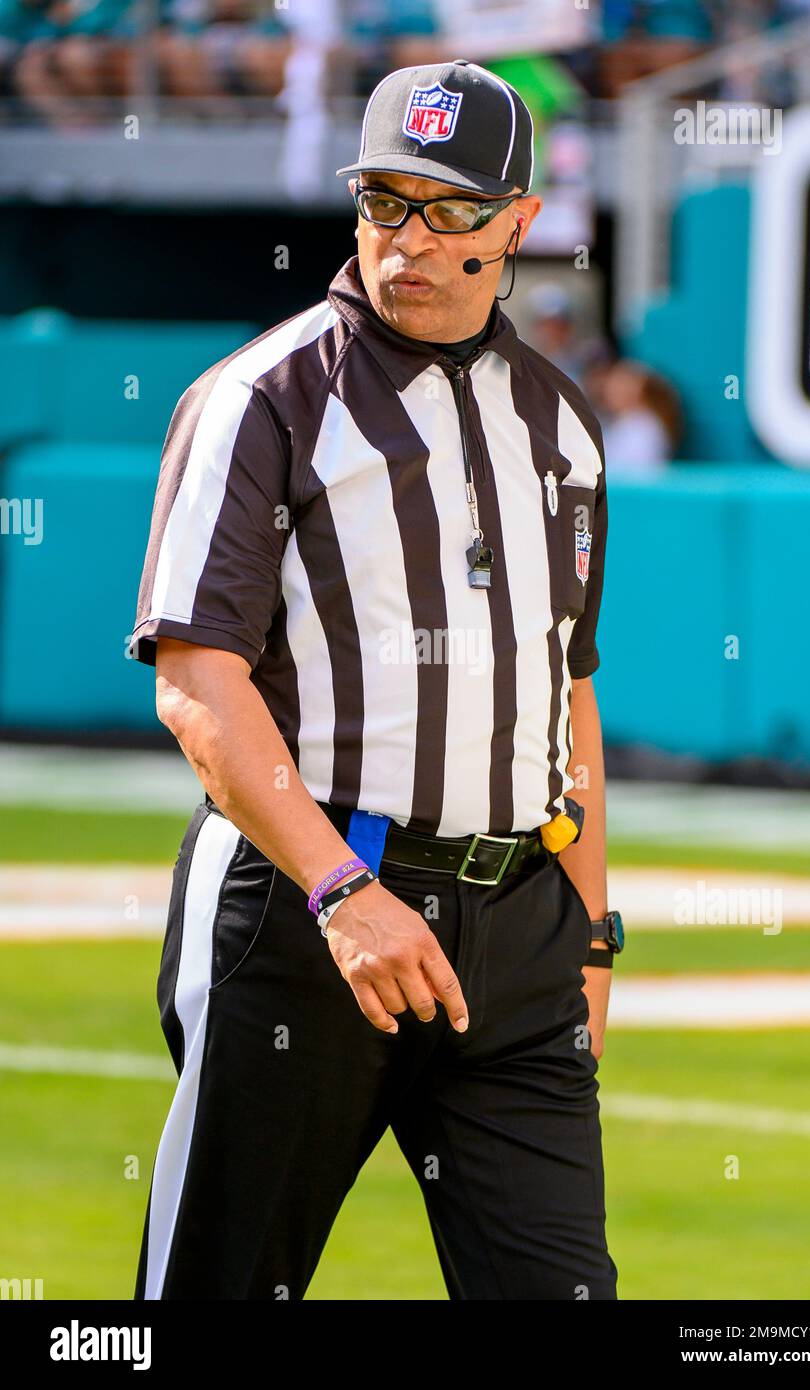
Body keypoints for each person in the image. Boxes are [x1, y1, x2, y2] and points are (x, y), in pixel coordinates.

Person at [127, 56, 623, 1301]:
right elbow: (196, 680)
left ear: (519, 220)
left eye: (448, 207)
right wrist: (342, 891)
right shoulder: (260, 397)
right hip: (308, 908)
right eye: (383, 198)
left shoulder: (561, 421)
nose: (408, 237)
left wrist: (593, 933)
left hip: (515, 932)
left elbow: (565, 687)